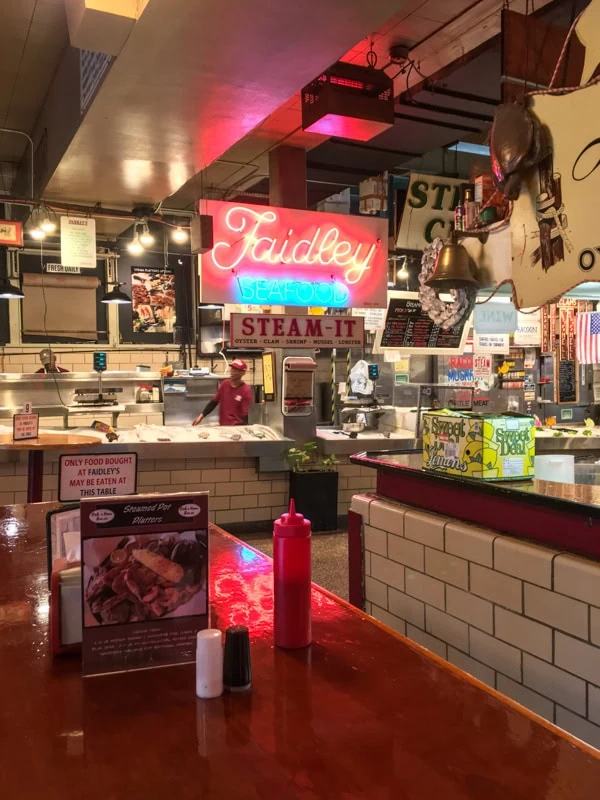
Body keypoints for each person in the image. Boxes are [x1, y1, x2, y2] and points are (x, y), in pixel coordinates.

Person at [193, 358, 252, 427]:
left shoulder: (246, 390)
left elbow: (246, 415)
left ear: (243, 373)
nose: (232, 371)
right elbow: (214, 402)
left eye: (236, 370)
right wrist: (201, 416)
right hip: (223, 426)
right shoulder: (224, 384)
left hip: (237, 427)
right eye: (232, 368)